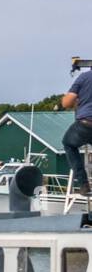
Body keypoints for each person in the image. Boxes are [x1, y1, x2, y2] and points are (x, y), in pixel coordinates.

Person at [59, 65, 92, 194]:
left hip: (86, 124)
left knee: (68, 144)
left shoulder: (84, 78)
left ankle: (83, 184)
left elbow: (67, 103)